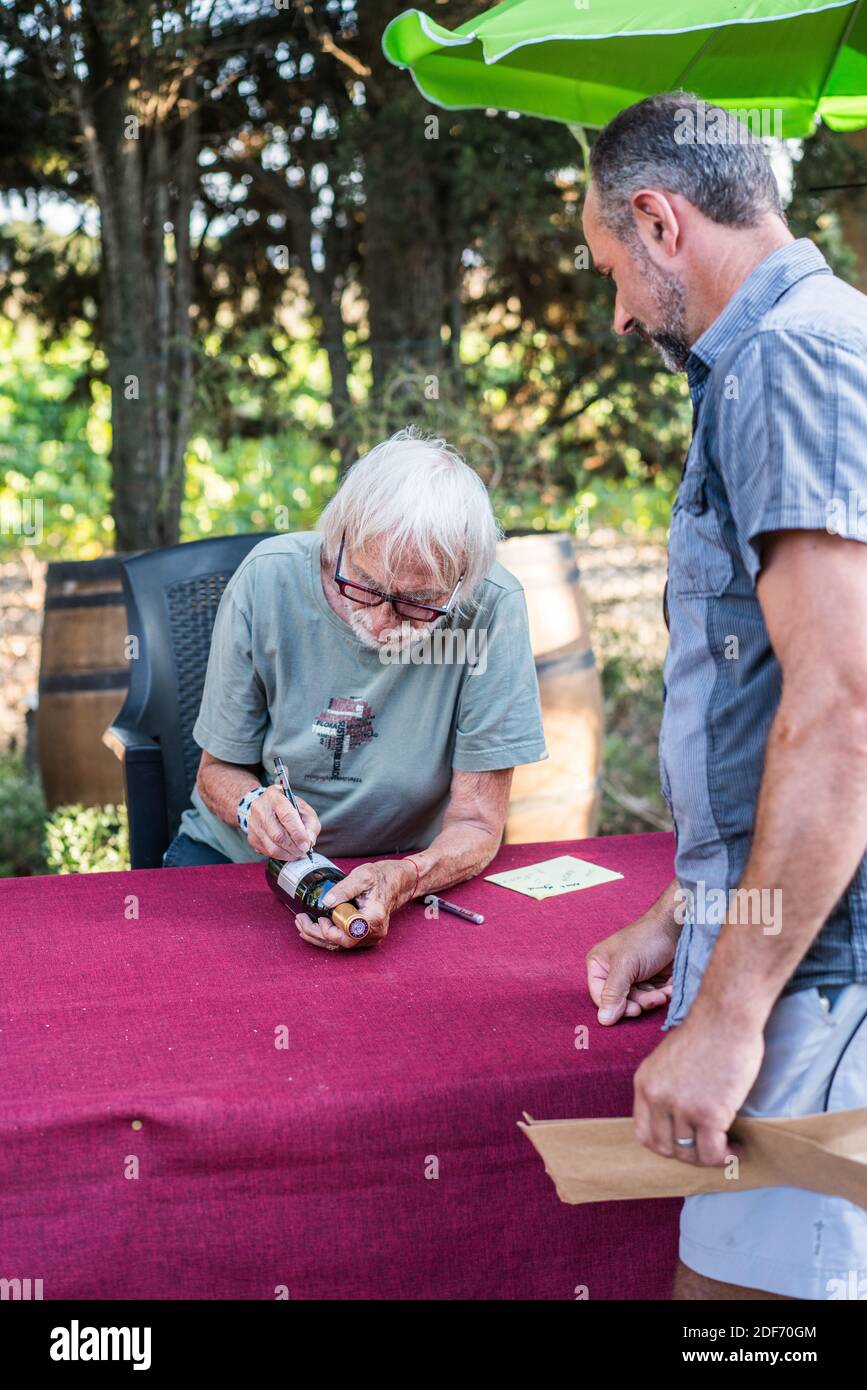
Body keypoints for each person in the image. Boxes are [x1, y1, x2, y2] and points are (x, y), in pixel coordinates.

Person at [582, 92, 867, 1300]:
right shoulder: (820, 333)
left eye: (612, 272)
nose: (617, 314)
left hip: (820, 973)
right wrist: (694, 896)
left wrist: (732, 1007)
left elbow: (845, 702)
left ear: (659, 220)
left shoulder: (788, 362)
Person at [163, 428, 547, 950]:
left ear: (463, 581)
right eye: (363, 586)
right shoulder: (267, 580)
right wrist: (253, 806)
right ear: (336, 540)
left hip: (407, 869)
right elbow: (217, 772)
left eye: (417, 603)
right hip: (240, 861)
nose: (384, 622)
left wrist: (406, 877)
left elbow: (478, 825)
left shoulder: (493, 609)